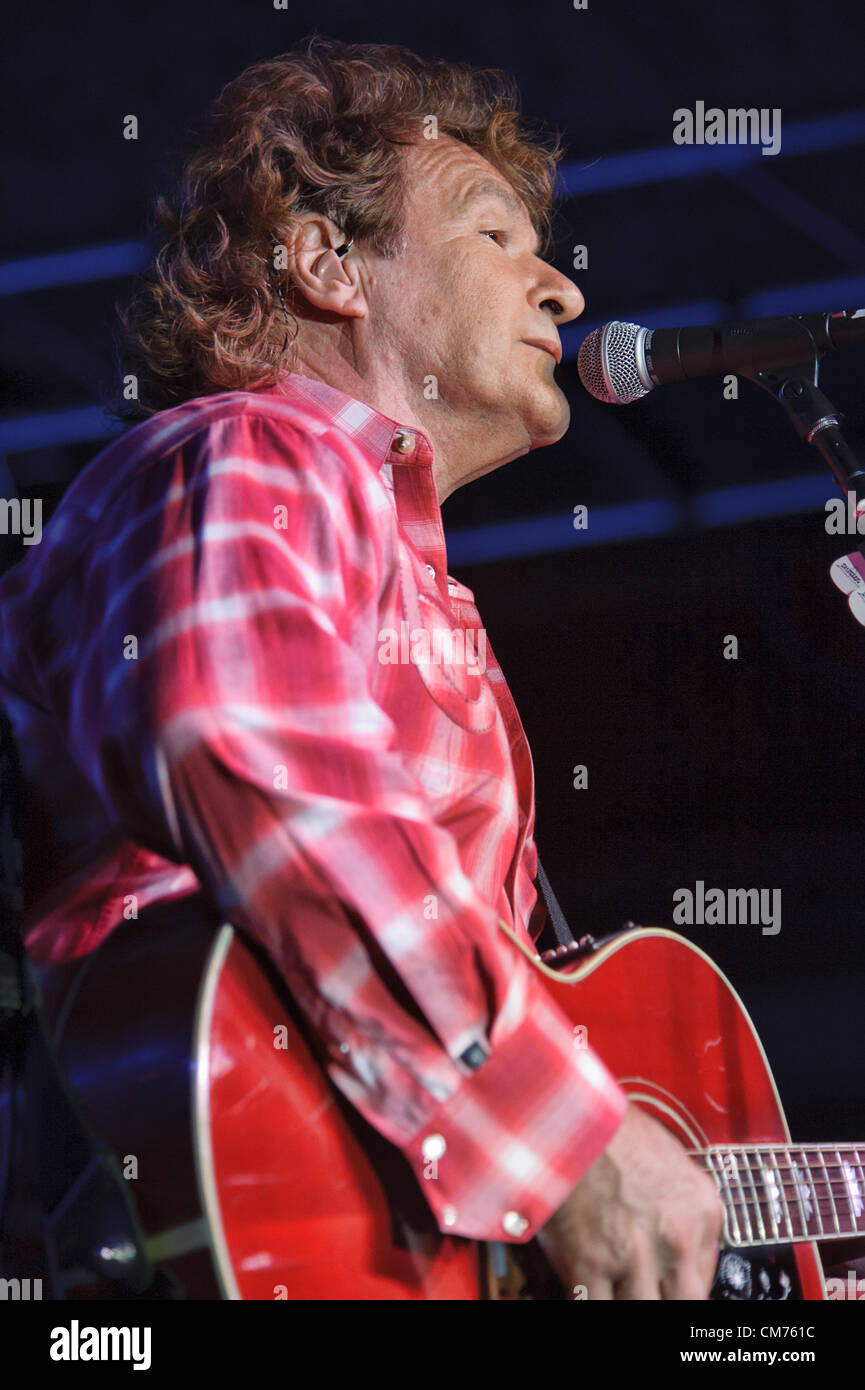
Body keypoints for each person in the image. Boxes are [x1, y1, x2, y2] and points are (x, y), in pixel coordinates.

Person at [0, 36, 722, 1298]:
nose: (559, 287)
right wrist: (563, 1152)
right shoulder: (244, 455)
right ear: (330, 265)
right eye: (496, 237)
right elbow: (250, 750)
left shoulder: (416, 586)